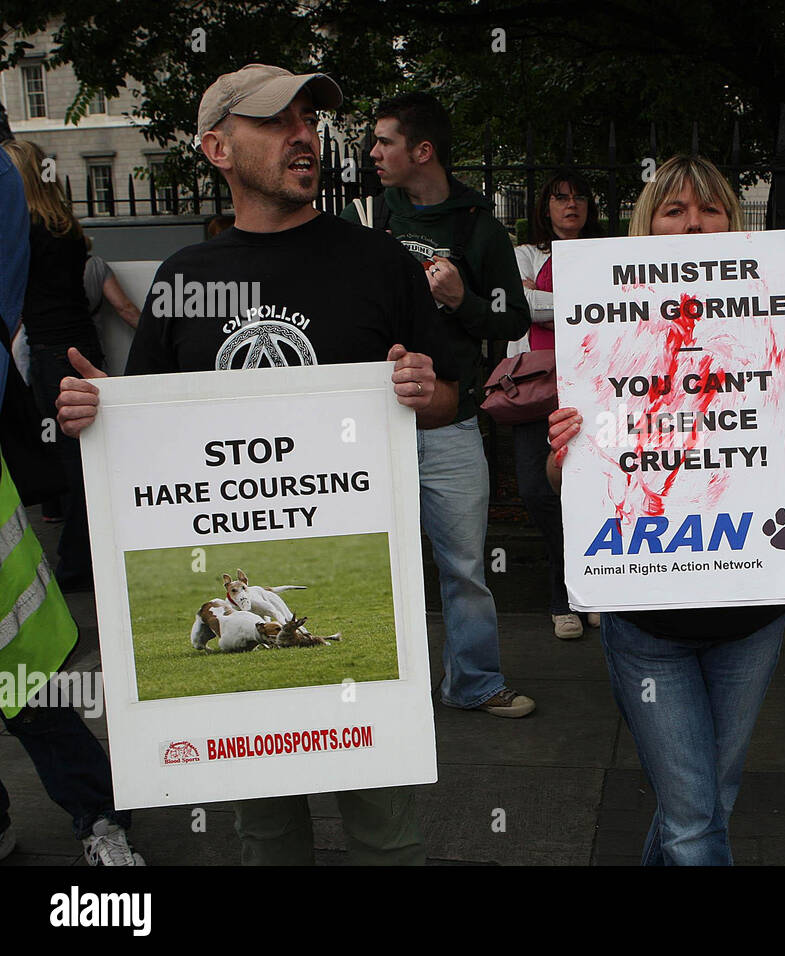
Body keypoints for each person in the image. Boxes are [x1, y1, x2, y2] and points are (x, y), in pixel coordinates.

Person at [56, 62, 459, 865]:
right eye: (276, 121)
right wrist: (98, 417)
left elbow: (454, 392)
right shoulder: (184, 281)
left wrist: (426, 389)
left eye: (308, 119)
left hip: (370, 572)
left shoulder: (377, 262)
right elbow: (147, 434)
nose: (303, 135)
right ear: (217, 148)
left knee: (389, 832)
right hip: (240, 564)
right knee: (266, 833)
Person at [546, 155, 785, 865]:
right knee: (693, 821)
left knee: (707, 803)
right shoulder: (604, 333)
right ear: (648, 224)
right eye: (674, 210)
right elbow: (583, 487)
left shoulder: (772, 321)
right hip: (647, 619)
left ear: (733, 223)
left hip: (751, 613)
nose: (694, 223)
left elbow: (779, 449)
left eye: (709, 209)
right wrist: (568, 462)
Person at [341, 93, 535, 717]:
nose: (372, 153)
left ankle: (473, 683)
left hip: (449, 424)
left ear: (422, 151)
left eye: (384, 142)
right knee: (368, 563)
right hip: (370, 422)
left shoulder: (478, 226)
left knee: (464, 566)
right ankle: (369, 691)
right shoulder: (372, 215)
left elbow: (514, 318)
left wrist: (460, 299)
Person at [0, 143, 143, 866]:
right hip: (75, 356)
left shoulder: (15, 226)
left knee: (21, 675)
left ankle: (96, 816)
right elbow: (120, 305)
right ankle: (98, 816)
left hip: (48, 362)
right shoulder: (70, 238)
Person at [2, 139, 100, 591]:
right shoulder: (68, 229)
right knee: (85, 458)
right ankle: (84, 554)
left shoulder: (24, 233)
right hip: (82, 345)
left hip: (47, 352)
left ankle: (77, 562)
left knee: (70, 463)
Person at [511, 168, 602, 639]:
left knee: (591, 488)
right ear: (545, 206)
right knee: (538, 489)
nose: (571, 205)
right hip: (535, 387)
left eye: (579, 197)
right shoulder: (525, 253)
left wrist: (542, 295)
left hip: (592, 386)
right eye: (560, 197)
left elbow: (612, 303)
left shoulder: (603, 254)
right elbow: (522, 306)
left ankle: (577, 596)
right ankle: (567, 587)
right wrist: (583, 297)